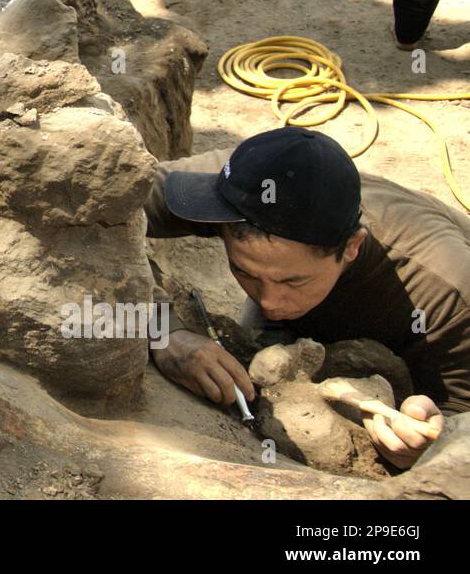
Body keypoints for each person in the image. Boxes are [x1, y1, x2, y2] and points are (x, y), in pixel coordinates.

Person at [147, 128, 469, 470]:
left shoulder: (445, 295)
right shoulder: (243, 183)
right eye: (245, 272)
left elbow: (459, 422)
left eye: (293, 281)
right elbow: (98, 215)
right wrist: (162, 329)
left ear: (351, 248)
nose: (269, 301)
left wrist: (428, 440)